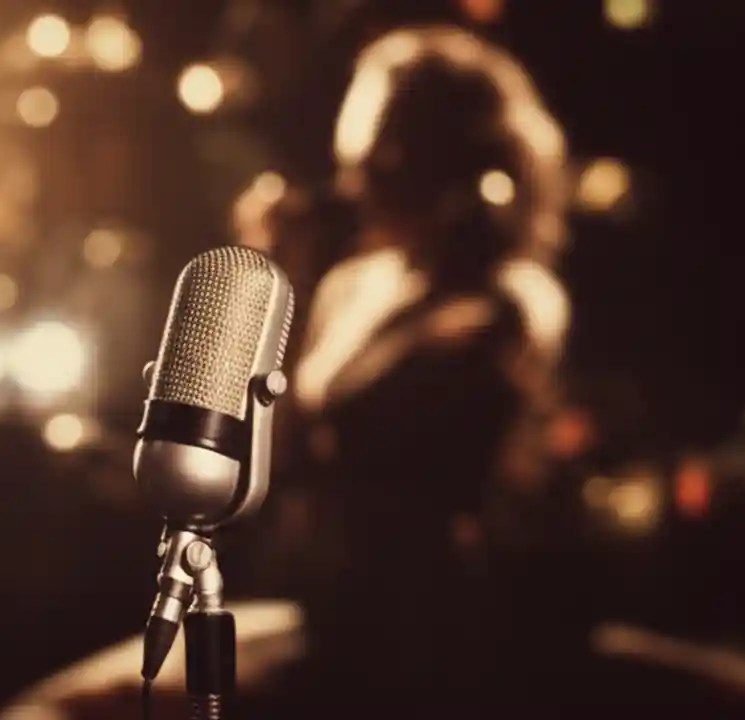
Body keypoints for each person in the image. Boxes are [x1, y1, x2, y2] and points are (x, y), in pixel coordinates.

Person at [236, 24, 574, 715]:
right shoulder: (350, 287)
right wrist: (282, 292)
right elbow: (278, 453)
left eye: (387, 157)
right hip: (316, 610)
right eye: (355, 158)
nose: (358, 183)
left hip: (427, 640)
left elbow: (405, 430)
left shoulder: (509, 301)